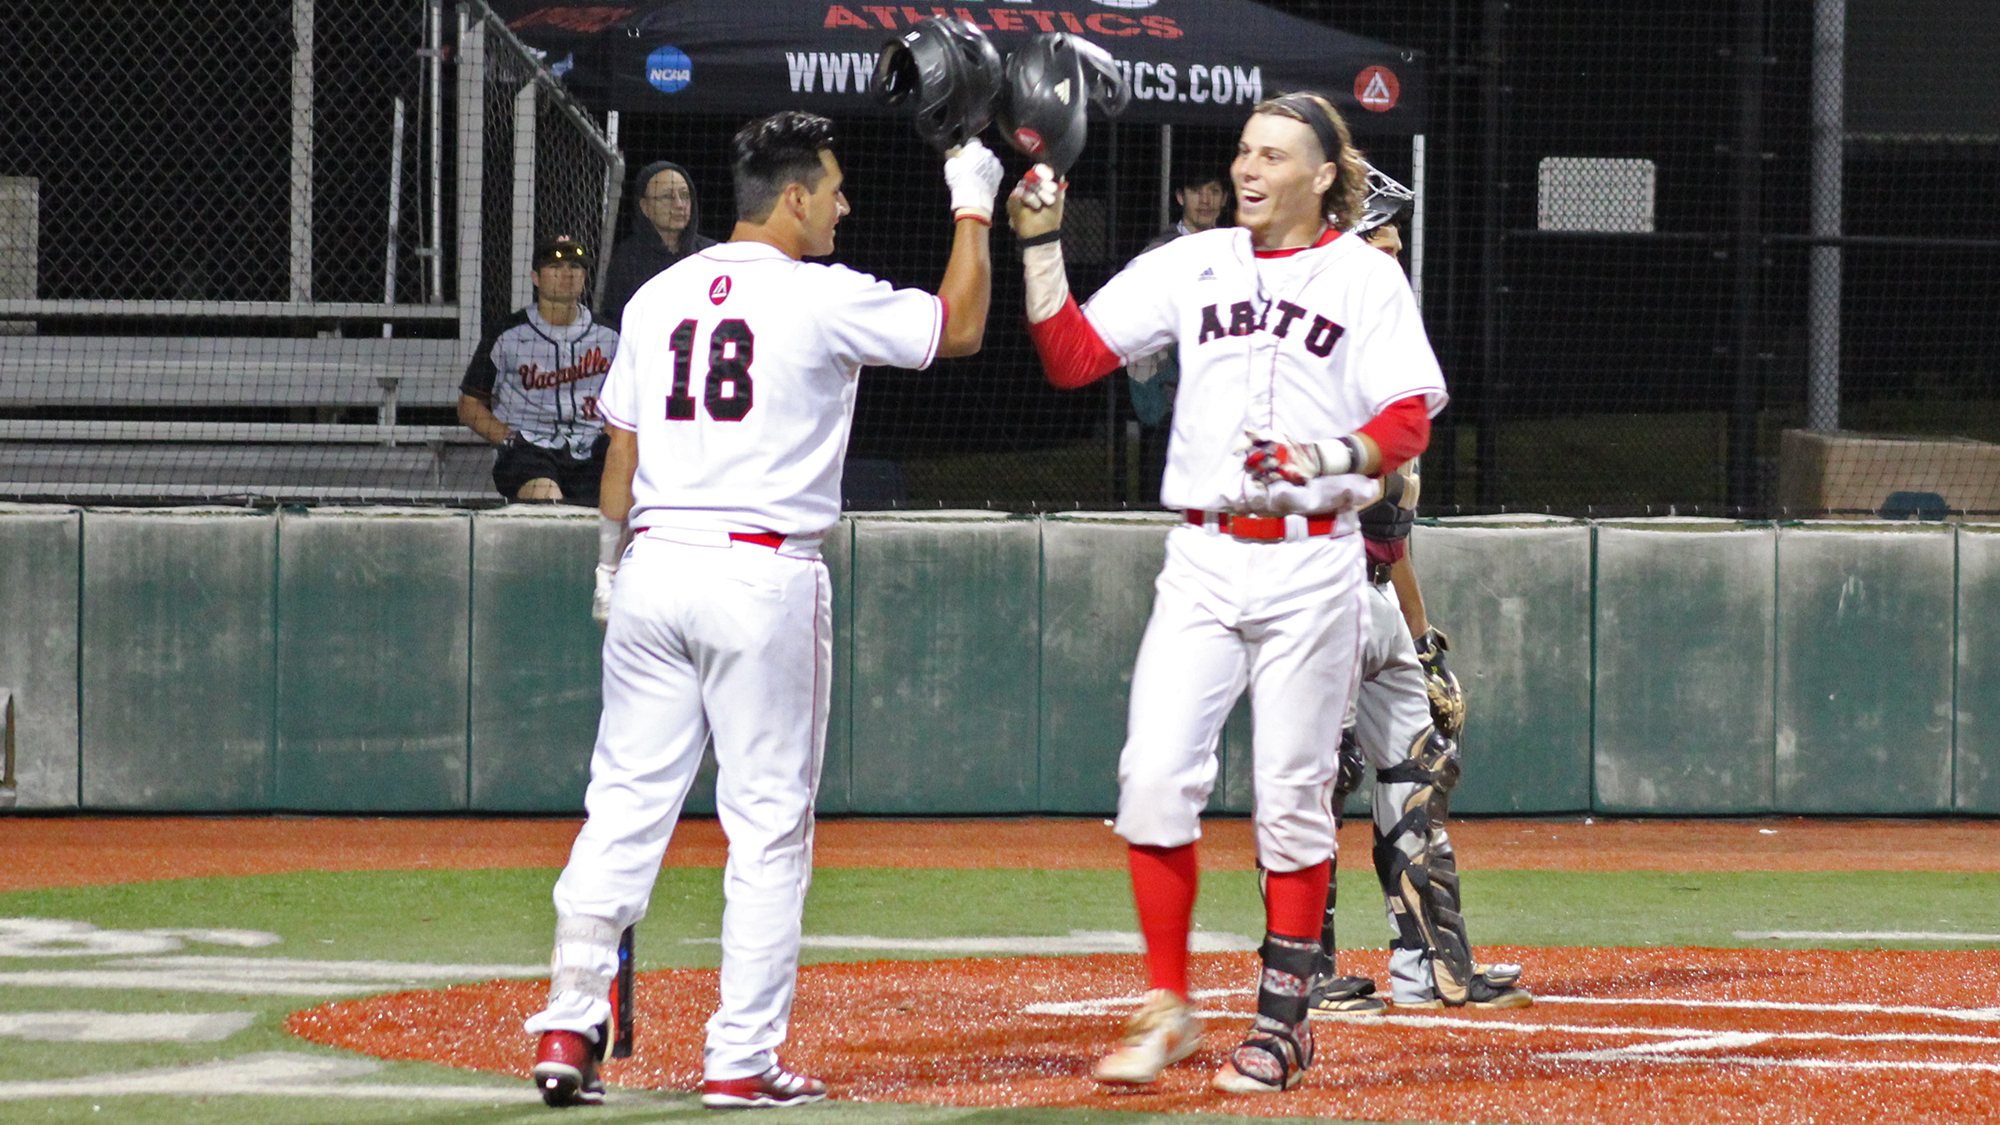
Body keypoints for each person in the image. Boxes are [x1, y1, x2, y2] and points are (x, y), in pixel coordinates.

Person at [524, 111, 1000, 1110]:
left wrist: (613, 567)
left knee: (621, 807)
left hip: (652, 564)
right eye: (830, 189)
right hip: (760, 572)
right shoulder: (817, 293)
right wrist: (972, 203)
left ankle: (568, 1023)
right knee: (767, 827)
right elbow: (956, 328)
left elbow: (621, 454)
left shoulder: (655, 296)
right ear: (791, 199)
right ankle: (738, 1057)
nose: (842, 204)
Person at [1006, 92, 1446, 1094]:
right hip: (1201, 555)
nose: (1248, 169)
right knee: (1152, 777)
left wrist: (1325, 454)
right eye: (1243, 151)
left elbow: (1406, 422)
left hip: (1311, 558)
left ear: (1323, 175)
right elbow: (1072, 357)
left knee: (1293, 795)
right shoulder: (1191, 260)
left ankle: (1283, 1021)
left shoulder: (1363, 278)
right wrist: (1038, 247)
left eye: (1273, 155)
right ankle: (1168, 1004)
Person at [1306, 203, 1531, 1018]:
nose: (1395, 258)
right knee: (1313, 782)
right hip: (1311, 591)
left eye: (1398, 246)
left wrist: (1424, 637)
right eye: (1380, 244)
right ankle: (1304, 972)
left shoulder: (1390, 362)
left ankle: (1430, 964)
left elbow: (1395, 536)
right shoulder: (1304, 356)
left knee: (1418, 767)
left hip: (1372, 599)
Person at [458, 235, 620, 504]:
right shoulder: (507, 334)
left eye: (575, 267)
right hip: (530, 452)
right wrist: (509, 439)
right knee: (548, 500)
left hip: (593, 448)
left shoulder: (610, 336)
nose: (566, 274)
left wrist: (612, 436)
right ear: (536, 277)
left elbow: (631, 401)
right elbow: (469, 404)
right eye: (555, 267)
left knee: (619, 497)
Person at [1127, 168, 1230, 493]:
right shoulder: (1158, 254)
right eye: (1197, 190)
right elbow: (1138, 332)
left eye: (1213, 190)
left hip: (1223, 408)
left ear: (1225, 199)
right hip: (1169, 409)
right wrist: (1156, 404)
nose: (1206, 199)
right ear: (1180, 197)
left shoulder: (1237, 252)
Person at [600, 161, 721, 330]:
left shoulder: (712, 254)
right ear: (645, 207)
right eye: (667, 197)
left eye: (685, 196)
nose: (680, 204)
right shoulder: (627, 260)